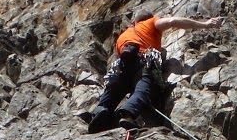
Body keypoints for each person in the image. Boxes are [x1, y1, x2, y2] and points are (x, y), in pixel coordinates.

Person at [86, 12, 224, 133]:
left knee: (113, 91)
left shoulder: (123, 36)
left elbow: (120, 58)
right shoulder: (150, 22)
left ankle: (99, 112)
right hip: (143, 62)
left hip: (120, 67)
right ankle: (127, 114)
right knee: (143, 88)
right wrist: (205, 24)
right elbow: (172, 21)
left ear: (135, 21)